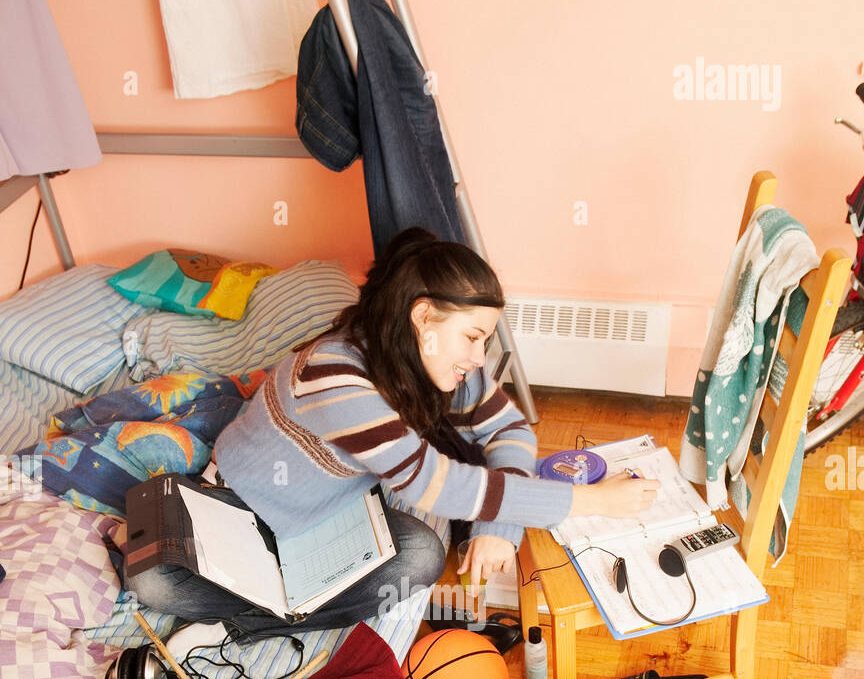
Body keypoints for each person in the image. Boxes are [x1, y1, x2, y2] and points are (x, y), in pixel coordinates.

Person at [123, 229, 659, 642]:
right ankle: (260, 621)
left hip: (324, 516)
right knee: (153, 581)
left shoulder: (436, 365)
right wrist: (589, 500)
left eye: (485, 339)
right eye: (472, 336)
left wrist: (499, 523)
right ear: (424, 317)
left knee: (420, 556)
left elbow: (511, 427)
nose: (478, 358)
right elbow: (436, 485)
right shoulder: (335, 379)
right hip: (240, 509)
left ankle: (269, 607)